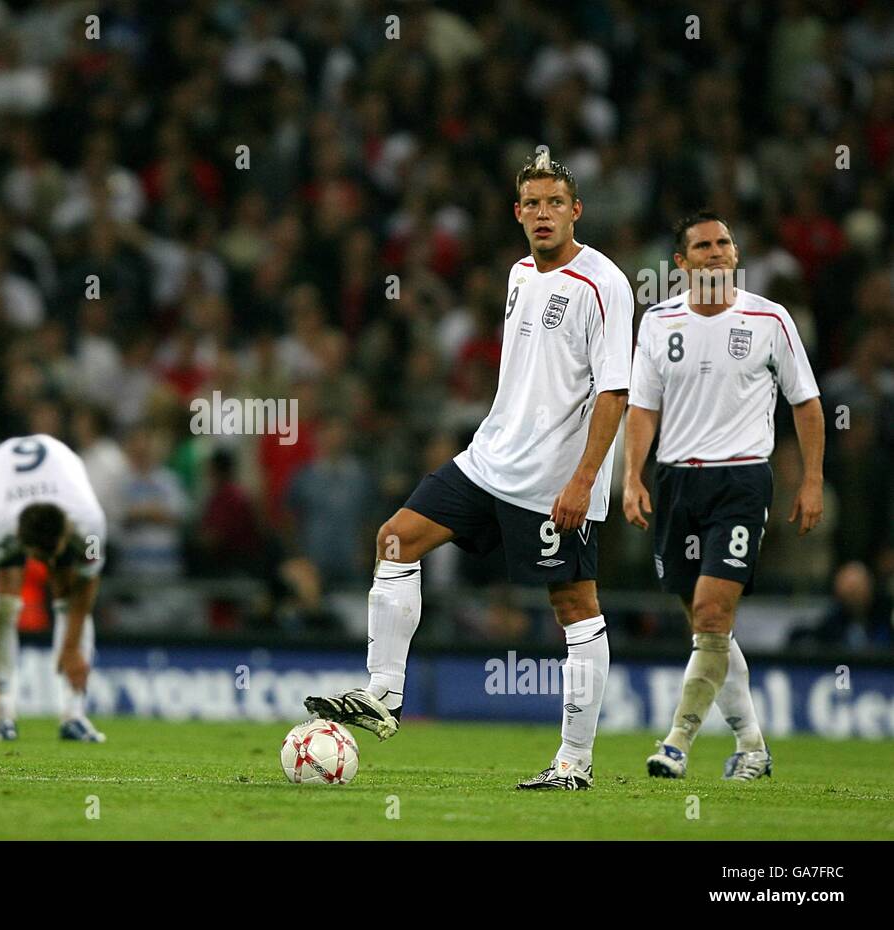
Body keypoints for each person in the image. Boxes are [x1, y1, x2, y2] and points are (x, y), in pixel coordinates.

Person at [306, 151, 635, 790]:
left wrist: (585, 479)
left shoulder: (605, 286)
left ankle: (574, 762)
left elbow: (614, 393)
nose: (543, 214)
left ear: (576, 211)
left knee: (574, 604)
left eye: (555, 203)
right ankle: (384, 694)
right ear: (517, 214)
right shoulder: (518, 274)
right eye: (532, 204)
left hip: (553, 481)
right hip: (488, 460)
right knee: (395, 538)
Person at [625, 210, 824, 780]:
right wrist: (632, 475)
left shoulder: (769, 319)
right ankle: (753, 747)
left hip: (739, 480)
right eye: (702, 246)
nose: (716, 252)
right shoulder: (659, 322)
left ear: (736, 254)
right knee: (708, 629)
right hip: (675, 481)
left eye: (724, 243)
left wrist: (810, 480)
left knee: (713, 612)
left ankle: (675, 743)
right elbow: (643, 407)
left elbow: (806, 404)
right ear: (681, 263)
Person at [0, 434, 108, 742]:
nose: (47, 563)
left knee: (67, 584)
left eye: (53, 553)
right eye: (40, 557)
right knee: (4, 597)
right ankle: (3, 711)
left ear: (65, 532)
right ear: (22, 543)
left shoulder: (89, 522)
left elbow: (88, 582)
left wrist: (70, 649)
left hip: (60, 460)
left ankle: (74, 714)